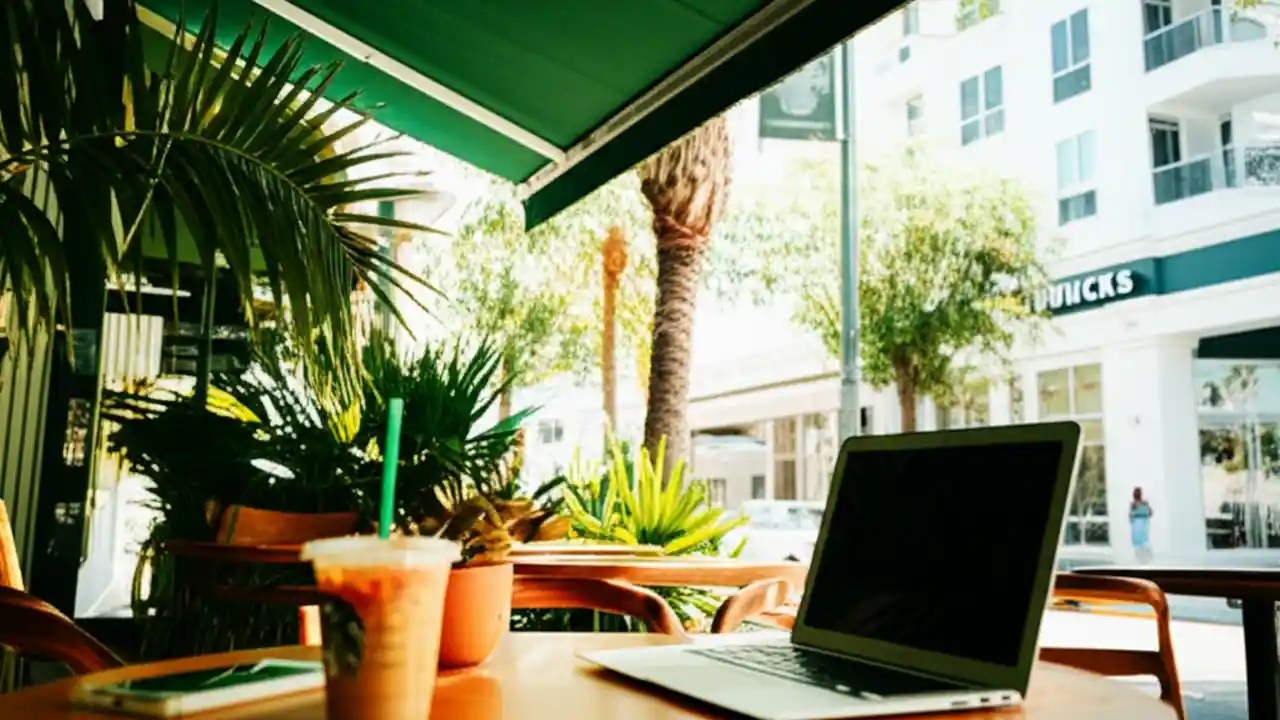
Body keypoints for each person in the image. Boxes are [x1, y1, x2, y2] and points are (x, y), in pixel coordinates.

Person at [1130, 487, 1154, 564]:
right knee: (1142, 543)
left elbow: (1150, 513)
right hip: (1141, 524)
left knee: (1141, 543)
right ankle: (1144, 559)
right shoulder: (1136, 504)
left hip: (1140, 524)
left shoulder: (1137, 504)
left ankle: (1144, 559)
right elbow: (1150, 513)